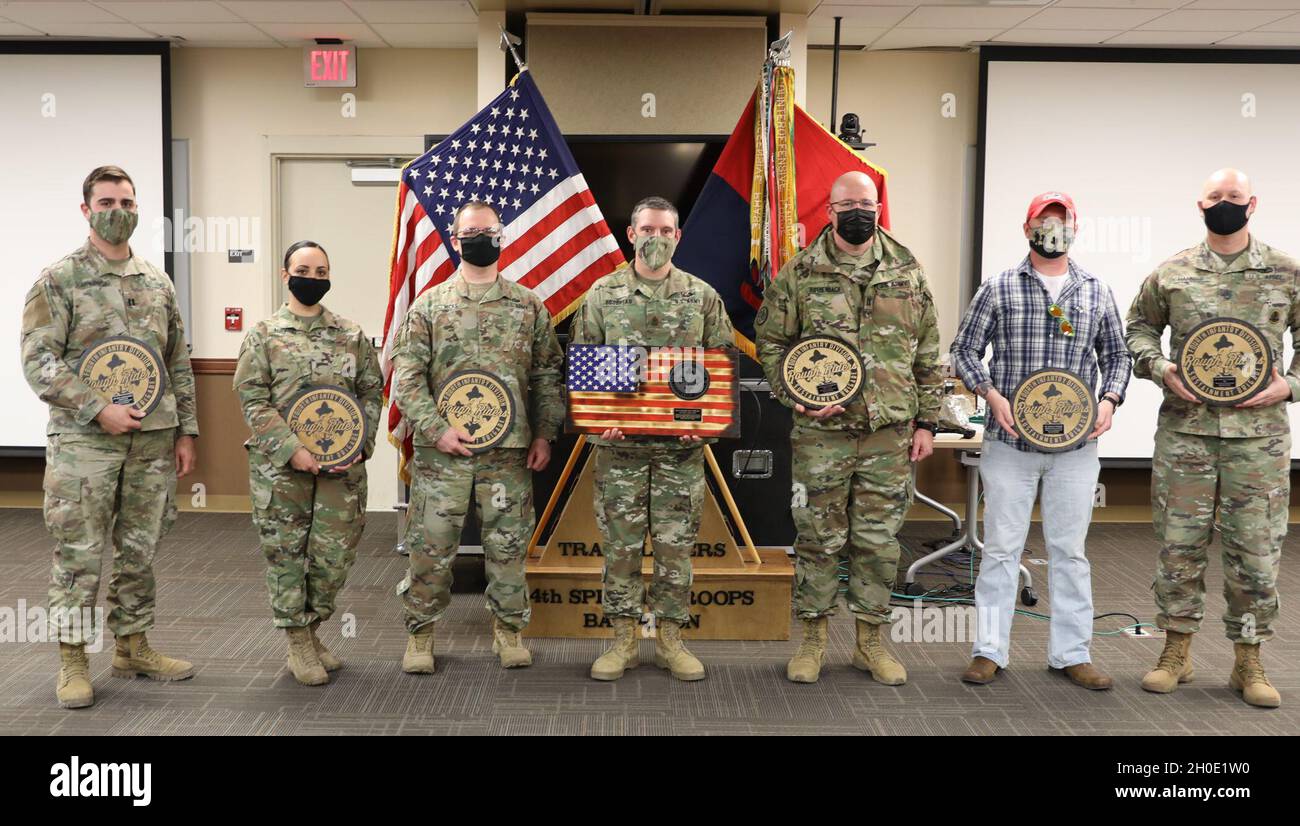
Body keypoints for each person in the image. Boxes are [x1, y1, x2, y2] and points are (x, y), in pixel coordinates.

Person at [21, 165, 198, 709]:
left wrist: (186, 429)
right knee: (79, 550)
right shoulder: (60, 280)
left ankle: (132, 644)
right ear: (86, 210)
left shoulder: (157, 281)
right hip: (85, 445)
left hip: (152, 442)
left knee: (140, 549)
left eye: (126, 201)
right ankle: (74, 658)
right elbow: (37, 360)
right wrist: (98, 409)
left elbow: (177, 362)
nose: (117, 211)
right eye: (105, 202)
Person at [756, 171, 942, 685]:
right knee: (817, 537)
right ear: (829, 210)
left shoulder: (907, 269)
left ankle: (869, 643)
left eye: (867, 202)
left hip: (889, 432)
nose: (859, 210)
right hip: (822, 434)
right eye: (847, 203)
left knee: (878, 541)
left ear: (878, 207)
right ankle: (813, 641)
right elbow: (770, 344)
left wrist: (927, 421)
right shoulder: (800, 273)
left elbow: (927, 351)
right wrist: (793, 393)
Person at [1126, 168, 1297, 708]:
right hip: (1187, 435)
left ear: (1253, 205)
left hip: (1259, 441)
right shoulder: (1172, 272)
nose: (1225, 204)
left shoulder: (1286, 272)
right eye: (1215, 197)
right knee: (1180, 547)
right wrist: (1160, 367)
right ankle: (1176, 651)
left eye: (1235, 197)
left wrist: (1289, 386)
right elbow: (1138, 329)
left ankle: (1249, 659)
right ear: (1199, 206)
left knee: (1255, 554)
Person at [950, 191, 1131, 689]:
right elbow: (964, 349)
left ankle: (1072, 654)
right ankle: (989, 651)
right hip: (1010, 447)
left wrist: (1110, 400)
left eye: (1062, 220)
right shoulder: (999, 287)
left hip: (1075, 450)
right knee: (1001, 550)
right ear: (1026, 226)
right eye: (1043, 220)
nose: (1053, 229)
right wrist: (990, 393)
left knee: (1069, 552)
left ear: (1077, 227)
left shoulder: (1096, 290)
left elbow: (1118, 357)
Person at [393, 200, 563, 673]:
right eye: (471, 232)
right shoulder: (429, 306)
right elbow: (407, 379)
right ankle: (420, 636)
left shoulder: (528, 305)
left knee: (507, 547)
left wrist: (545, 434)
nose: (479, 239)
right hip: (442, 455)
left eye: (487, 231)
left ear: (501, 236)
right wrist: (435, 429)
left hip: (507, 453)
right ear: (455, 237)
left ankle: (508, 632)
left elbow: (547, 375)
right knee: (431, 546)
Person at [570, 195, 735, 682]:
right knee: (620, 548)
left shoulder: (701, 296)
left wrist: (702, 421)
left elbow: (721, 367)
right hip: (619, 449)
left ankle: (670, 639)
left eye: (665, 231)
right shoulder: (603, 293)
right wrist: (600, 418)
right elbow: (584, 366)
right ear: (631, 233)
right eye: (648, 229)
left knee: (675, 547)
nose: (656, 238)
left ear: (677, 237)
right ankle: (622, 640)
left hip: (679, 453)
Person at [233, 241, 383, 686]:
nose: (312, 278)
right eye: (303, 269)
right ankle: (297, 639)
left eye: (321, 271)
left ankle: (313, 626)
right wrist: (290, 448)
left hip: (342, 468)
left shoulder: (351, 334)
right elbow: (252, 397)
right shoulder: (264, 334)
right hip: (280, 470)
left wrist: (359, 442)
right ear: (285, 275)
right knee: (287, 556)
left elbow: (371, 392)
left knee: (333, 556)